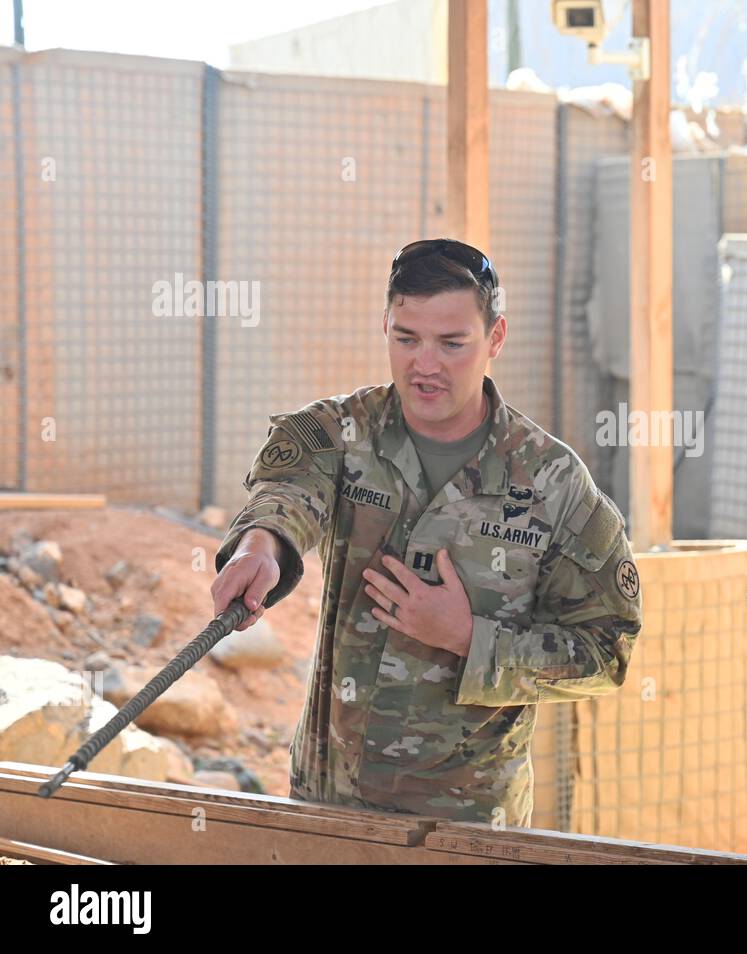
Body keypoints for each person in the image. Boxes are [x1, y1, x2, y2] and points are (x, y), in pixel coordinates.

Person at [210, 238, 643, 827]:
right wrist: (262, 545)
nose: (425, 364)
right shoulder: (341, 434)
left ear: (496, 338)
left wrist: (470, 638)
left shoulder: (553, 482)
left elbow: (605, 650)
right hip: (330, 805)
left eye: (452, 343)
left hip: (466, 824)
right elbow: (289, 494)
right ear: (384, 326)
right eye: (406, 338)